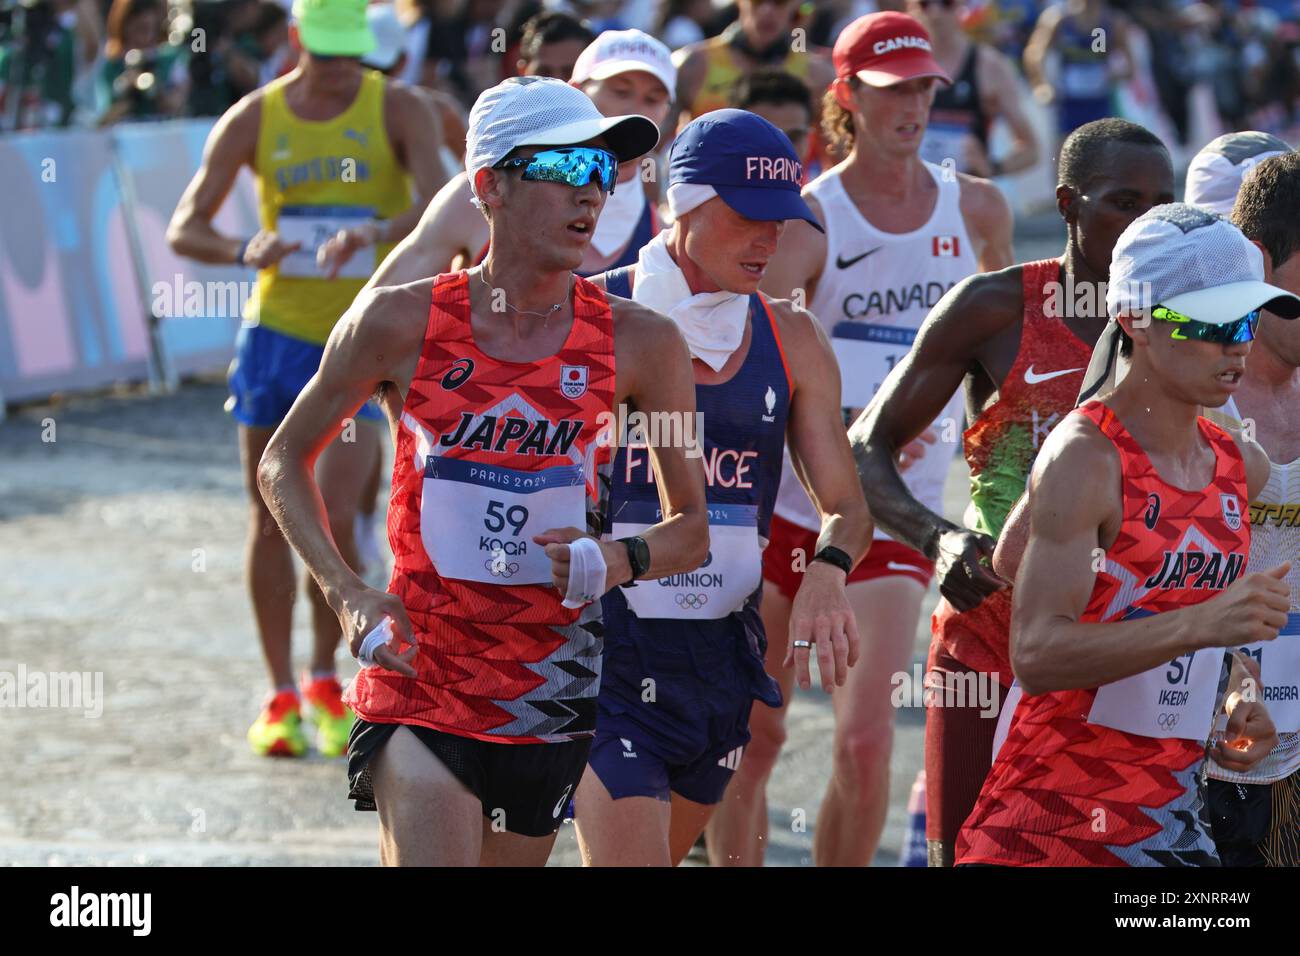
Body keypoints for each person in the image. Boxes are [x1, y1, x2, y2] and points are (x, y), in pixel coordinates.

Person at [258, 75, 711, 866]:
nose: (592, 195)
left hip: (549, 690)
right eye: (567, 170)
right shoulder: (397, 320)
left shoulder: (644, 343)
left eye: (602, 173)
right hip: (419, 674)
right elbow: (283, 459)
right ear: (489, 186)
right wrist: (347, 592)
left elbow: (693, 532)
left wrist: (620, 557)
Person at [707, 10, 1012, 868]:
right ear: (846, 95)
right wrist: (834, 425)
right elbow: (753, 353)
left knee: (867, 741)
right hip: (787, 513)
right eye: (890, 89)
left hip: (896, 517)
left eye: (923, 86)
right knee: (754, 740)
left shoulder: (975, 209)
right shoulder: (809, 219)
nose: (911, 104)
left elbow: (1000, 364)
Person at [850, 117, 1174, 866]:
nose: (1143, 226)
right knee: (960, 854)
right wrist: (939, 539)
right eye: (1123, 202)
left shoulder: (1181, 328)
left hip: (1119, 649)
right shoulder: (995, 309)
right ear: (1067, 204)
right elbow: (867, 443)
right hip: (987, 638)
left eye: (1161, 206)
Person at [572, 109, 873, 866]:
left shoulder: (792, 337)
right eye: (749, 218)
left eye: (781, 221)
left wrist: (828, 574)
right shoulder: (592, 317)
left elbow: (848, 506)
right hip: (605, 655)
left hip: (719, 663)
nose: (770, 241)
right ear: (681, 203)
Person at [958, 203, 1296, 866]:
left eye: (1249, 318)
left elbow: (1202, 633)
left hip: (1169, 824)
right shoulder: (1086, 457)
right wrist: (1203, 628)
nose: (1239, 343)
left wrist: (1237, 699)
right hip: (1052, 823)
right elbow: (1036, 652)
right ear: (1136, 320)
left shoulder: (1237, 464)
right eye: (1214, 321)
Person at [166, 0, 449, 758]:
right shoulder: (253, 119)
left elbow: (442, 208)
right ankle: (279, 692)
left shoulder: (400, 107)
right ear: (294, 41)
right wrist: (243, 248)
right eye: (325, 54)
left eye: (351, 54)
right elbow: (183, 226)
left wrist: (375, 231)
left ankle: (328, 676)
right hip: (277, 336)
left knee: (336, 512)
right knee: (268, 515)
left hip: (362, 340)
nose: (339, 70)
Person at [364, 28, 674, 289]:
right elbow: (373, 314)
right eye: (621, 90)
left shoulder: (660, 229)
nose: (636, 107)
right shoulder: (472, 196)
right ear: (576, 90)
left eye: (653, 99)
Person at [906, 0, 1038, 178]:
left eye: (946, 3)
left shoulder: (989, 65)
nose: (935, 13)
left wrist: (993, 168)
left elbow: (1031, 149)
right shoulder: (900, 65)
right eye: (924, 4)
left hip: (964, 197)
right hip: (909, 195)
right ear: (910, 7)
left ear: (961, 4)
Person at [670, 0, 834, 132]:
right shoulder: (692, 64)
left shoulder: (818, 74)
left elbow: (837, 155)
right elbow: (654, 145)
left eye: (779, 2)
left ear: (795, 4)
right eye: (757, 2)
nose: (767, 11)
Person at [1024, 0, 1134, 145]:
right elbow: (1034, 54)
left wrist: (1115, 75)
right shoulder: (1057, 19)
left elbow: (1131, 68)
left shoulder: (1113, 22)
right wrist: (1041, 85)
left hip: (1099, 104)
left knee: (1101, 155)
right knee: (1065, 155)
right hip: (1068, 105)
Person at [728, 67, 815, 177]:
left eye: (793, 137)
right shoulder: (709, 192)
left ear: (809, 138)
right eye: (763, 137)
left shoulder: (830, 190)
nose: (781, 153)